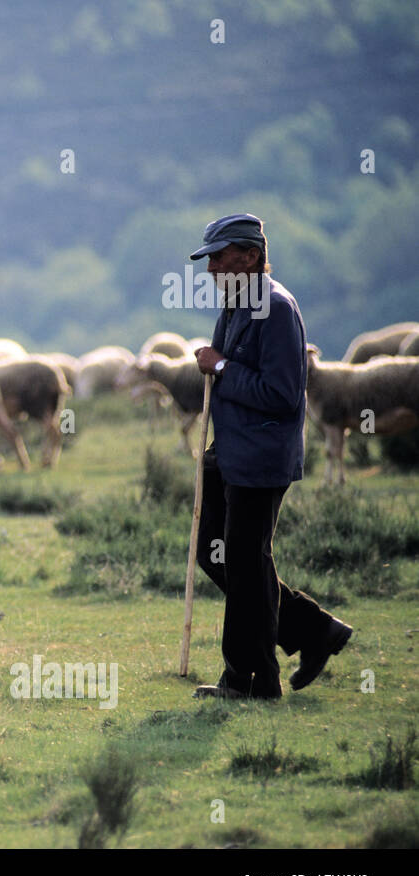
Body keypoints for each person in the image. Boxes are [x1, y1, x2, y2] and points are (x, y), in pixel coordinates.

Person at [186, 213, 351, 700]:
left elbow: (282, 393)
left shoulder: (276, 309)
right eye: (210, 258)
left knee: (243, 561)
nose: (212, 267)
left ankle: (251, 678)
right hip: (231, 453)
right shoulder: (238, 303)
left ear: (251, 257)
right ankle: (312, 629)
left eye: (219, 257)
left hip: (260, 458)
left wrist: (221, 367)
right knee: (219, 553)